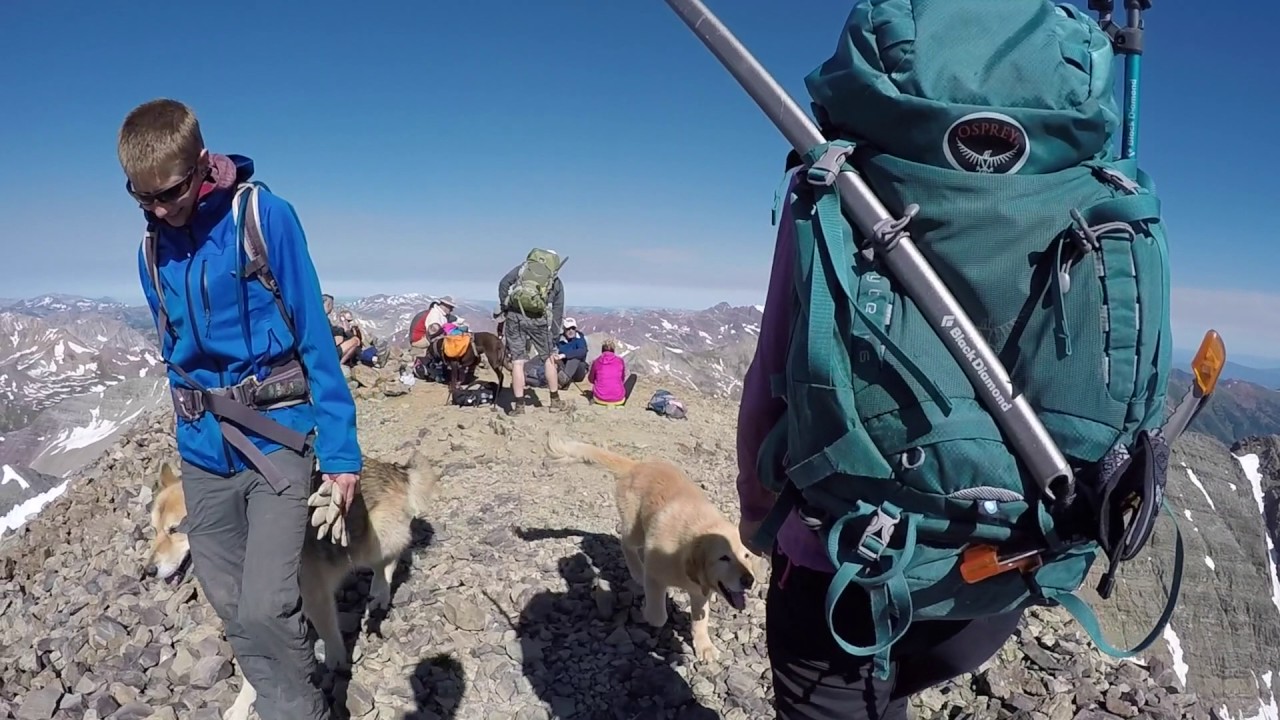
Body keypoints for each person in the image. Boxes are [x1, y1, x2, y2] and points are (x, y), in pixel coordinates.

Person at [735, 162, 1020, 720]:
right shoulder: (1056, 181)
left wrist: (757, 509)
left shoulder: (835, 174)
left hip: (835, 562)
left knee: (848, 693)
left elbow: (779, 359)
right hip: (994, 566)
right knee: (890, 693)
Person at [120, 98, 361, 720]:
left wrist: (339, 451)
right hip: (202, 447)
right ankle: (283, 695)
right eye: (140, 197)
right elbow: (173, 347)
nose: (157, 210)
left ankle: (299, 709)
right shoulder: (152, 248)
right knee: (228, 599)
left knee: (266, 603)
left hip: (278, 435)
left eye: (168, 193)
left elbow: (313, 331)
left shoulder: (263, 217)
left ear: (202, 164)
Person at [497, 250, 566, 414]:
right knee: (549, 359)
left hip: (515, 316)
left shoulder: (523, 268)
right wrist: (555, 334)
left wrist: (505, 306)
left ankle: (519, 406)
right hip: (539, 320)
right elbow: (558, 309)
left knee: (518, 362)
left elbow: (504, 284)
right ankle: (554, 401)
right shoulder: (554, 279)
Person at [587, 338, 631, 406]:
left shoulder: (596, 361)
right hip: (618, 400)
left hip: (599, 399)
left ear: (602, 350)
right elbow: (622, 379)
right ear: (613, 350)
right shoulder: (620, 361)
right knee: (632, 378)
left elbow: (591, 379)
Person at [555, 317, 589, 384]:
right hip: (563, 367)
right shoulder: (559, 339)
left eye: (573, 328)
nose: (571, 331)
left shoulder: (580, 339)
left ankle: (563, 380)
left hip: (578, 371)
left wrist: (564, 355)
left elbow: (582, 352)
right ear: (564, 329)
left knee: (575, 358)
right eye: (568, 329)